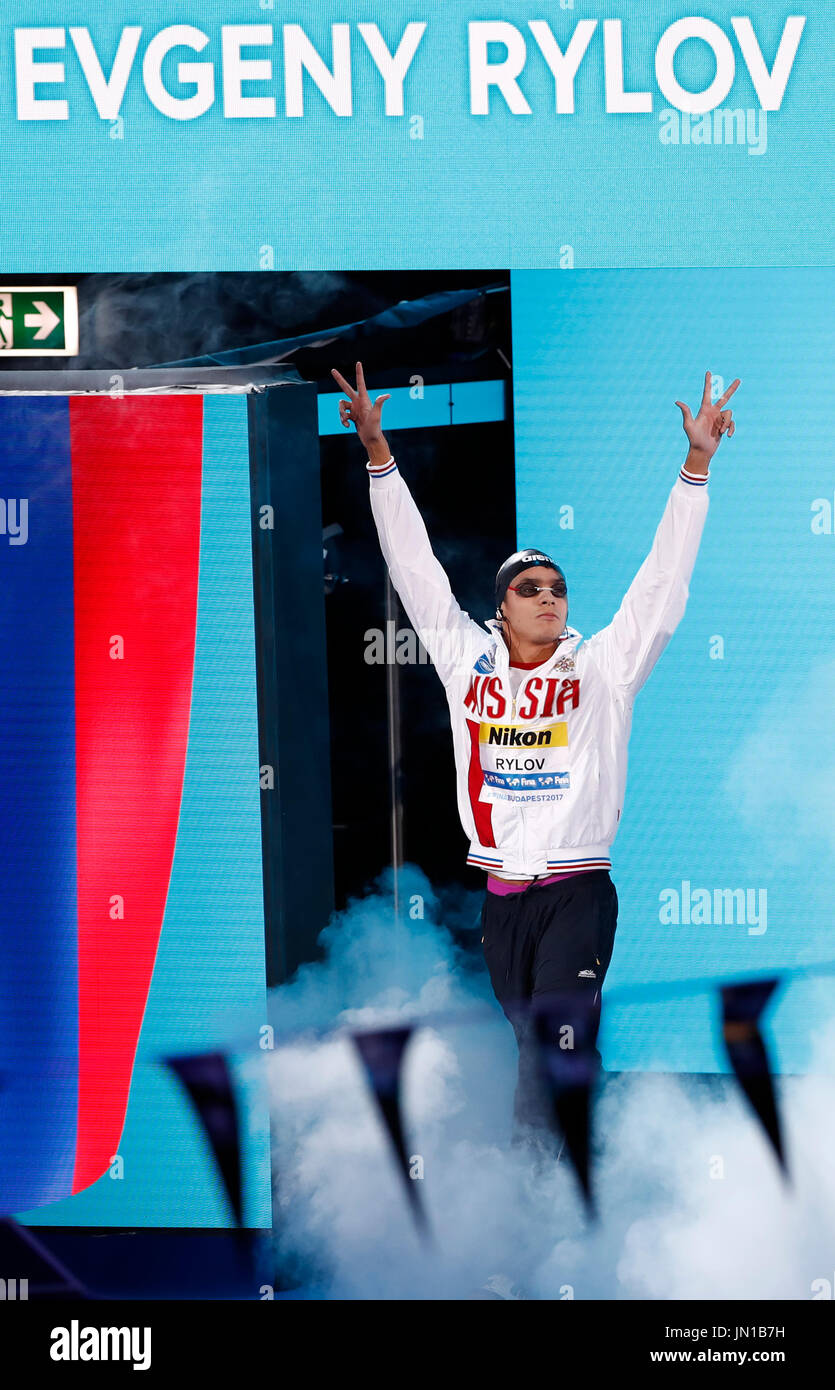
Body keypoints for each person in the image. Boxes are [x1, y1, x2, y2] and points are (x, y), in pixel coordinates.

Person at [331, 360, 740, 1143]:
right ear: (500, 607)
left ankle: (546, 1215)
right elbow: (413, 571)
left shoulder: (603, 666)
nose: (550, 597)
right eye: (532, 588)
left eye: (557, 588)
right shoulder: (463, 660)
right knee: (535, 1051)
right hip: (503, 902)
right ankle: (565, 1213)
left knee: (552, 1048)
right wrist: (378, 456)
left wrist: (695, 467)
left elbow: (662, 584)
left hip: (577, 893)